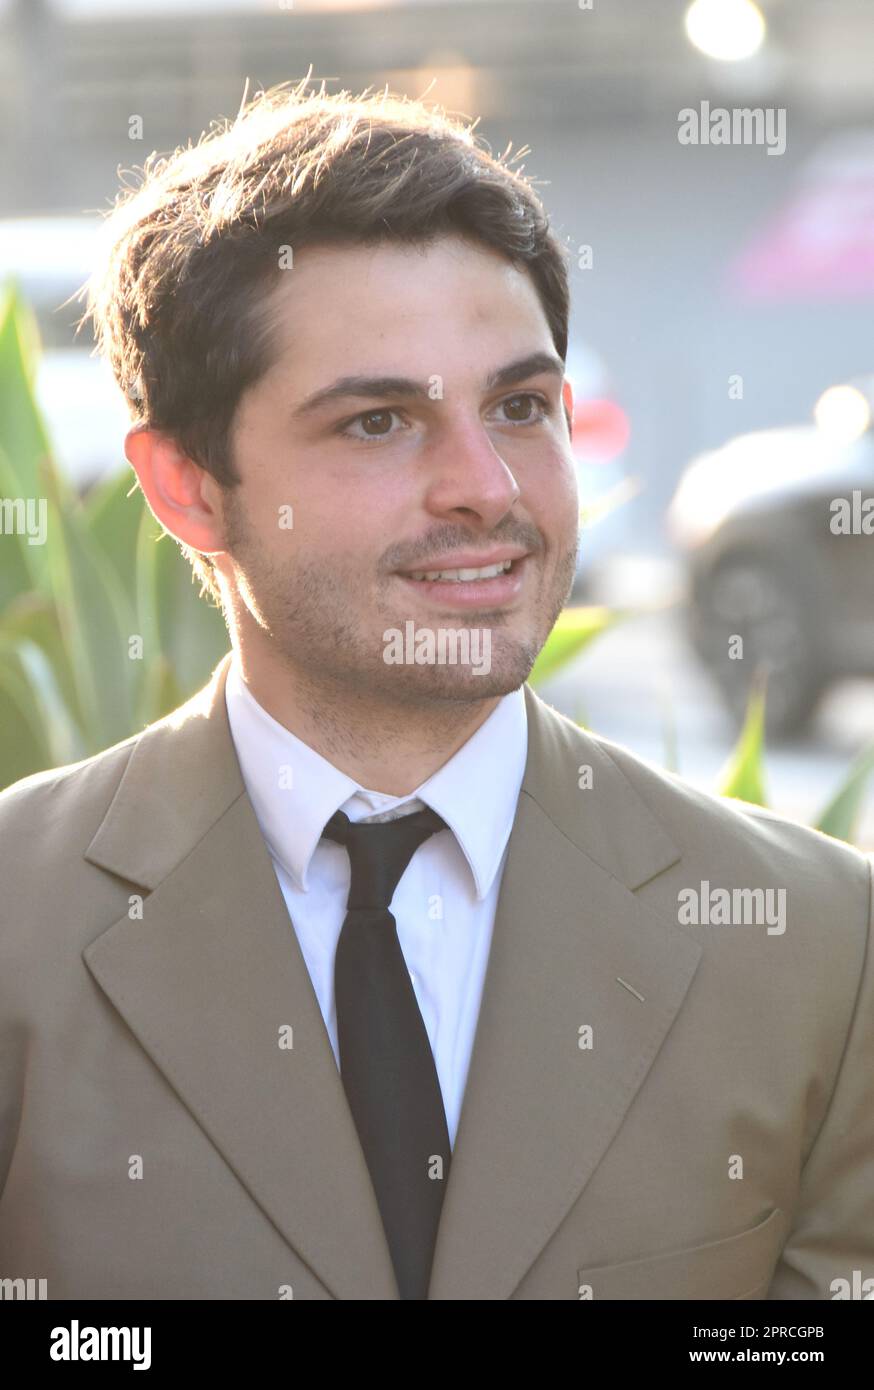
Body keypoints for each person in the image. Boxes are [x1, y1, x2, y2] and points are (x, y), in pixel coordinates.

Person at [0, 79, 871, 1302]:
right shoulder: (16, 927)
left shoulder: (819, 948)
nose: (484, 485)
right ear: (190, 487)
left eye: (520, 407)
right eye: (377, 423)